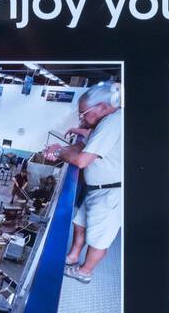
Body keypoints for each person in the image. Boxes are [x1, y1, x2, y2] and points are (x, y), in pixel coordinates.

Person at [42, 81, 123, 282]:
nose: (82, 119)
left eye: (83, 114)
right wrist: (59, 149)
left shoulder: (114, 122)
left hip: (111, 194)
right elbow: (81, 149)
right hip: (97, 190)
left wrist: (59, 152)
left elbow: (81, 160)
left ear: (102, 107)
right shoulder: (106, 122)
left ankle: (84, 272)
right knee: (80, 223)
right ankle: (73, 256)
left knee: (99, 239)